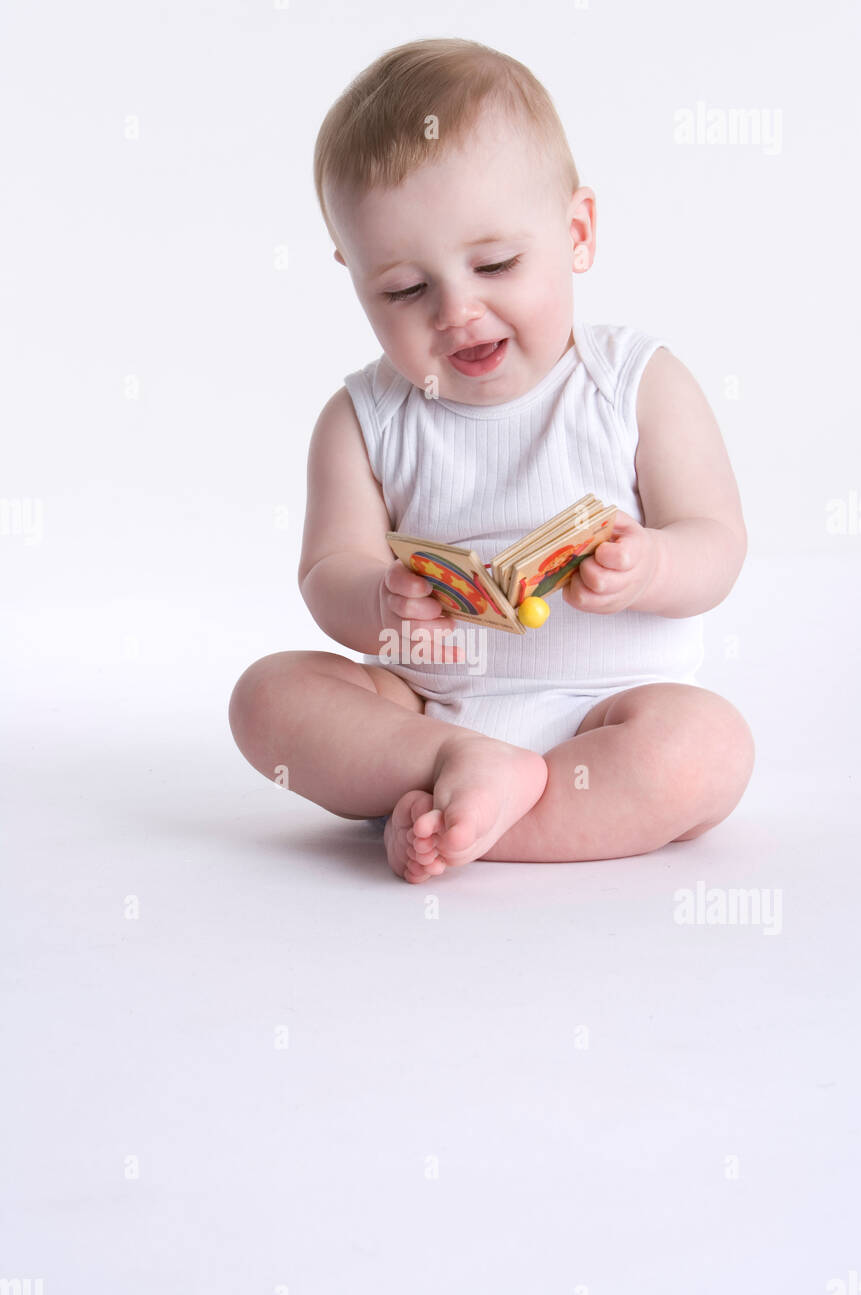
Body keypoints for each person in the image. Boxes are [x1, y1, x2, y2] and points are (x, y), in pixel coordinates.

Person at [229, 38, 755, 883]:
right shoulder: (361, 419)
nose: (458, 311)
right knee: (265, 697)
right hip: (425, 707)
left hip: (606, 715)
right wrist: (379, 598)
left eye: (497, 264)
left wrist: (650, 564)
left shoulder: (633, 383)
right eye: (404, 289)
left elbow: (718, 543)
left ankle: (475, 808)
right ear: (354, 277)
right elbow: (329, 573)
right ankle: (460, 768)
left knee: (709, 748)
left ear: (576, 231)